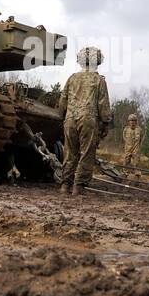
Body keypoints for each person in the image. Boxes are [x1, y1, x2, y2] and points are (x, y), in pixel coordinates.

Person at [57, 46, 112, 196]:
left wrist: (62, 116)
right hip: (88, 118)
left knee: (69, 152)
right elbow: (103, 104)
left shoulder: (72, 78)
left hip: (70, 119)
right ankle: (79, 186)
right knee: (86, 152)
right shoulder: (98, 80)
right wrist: (106, 122)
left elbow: (63, 101)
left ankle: (65, 185)